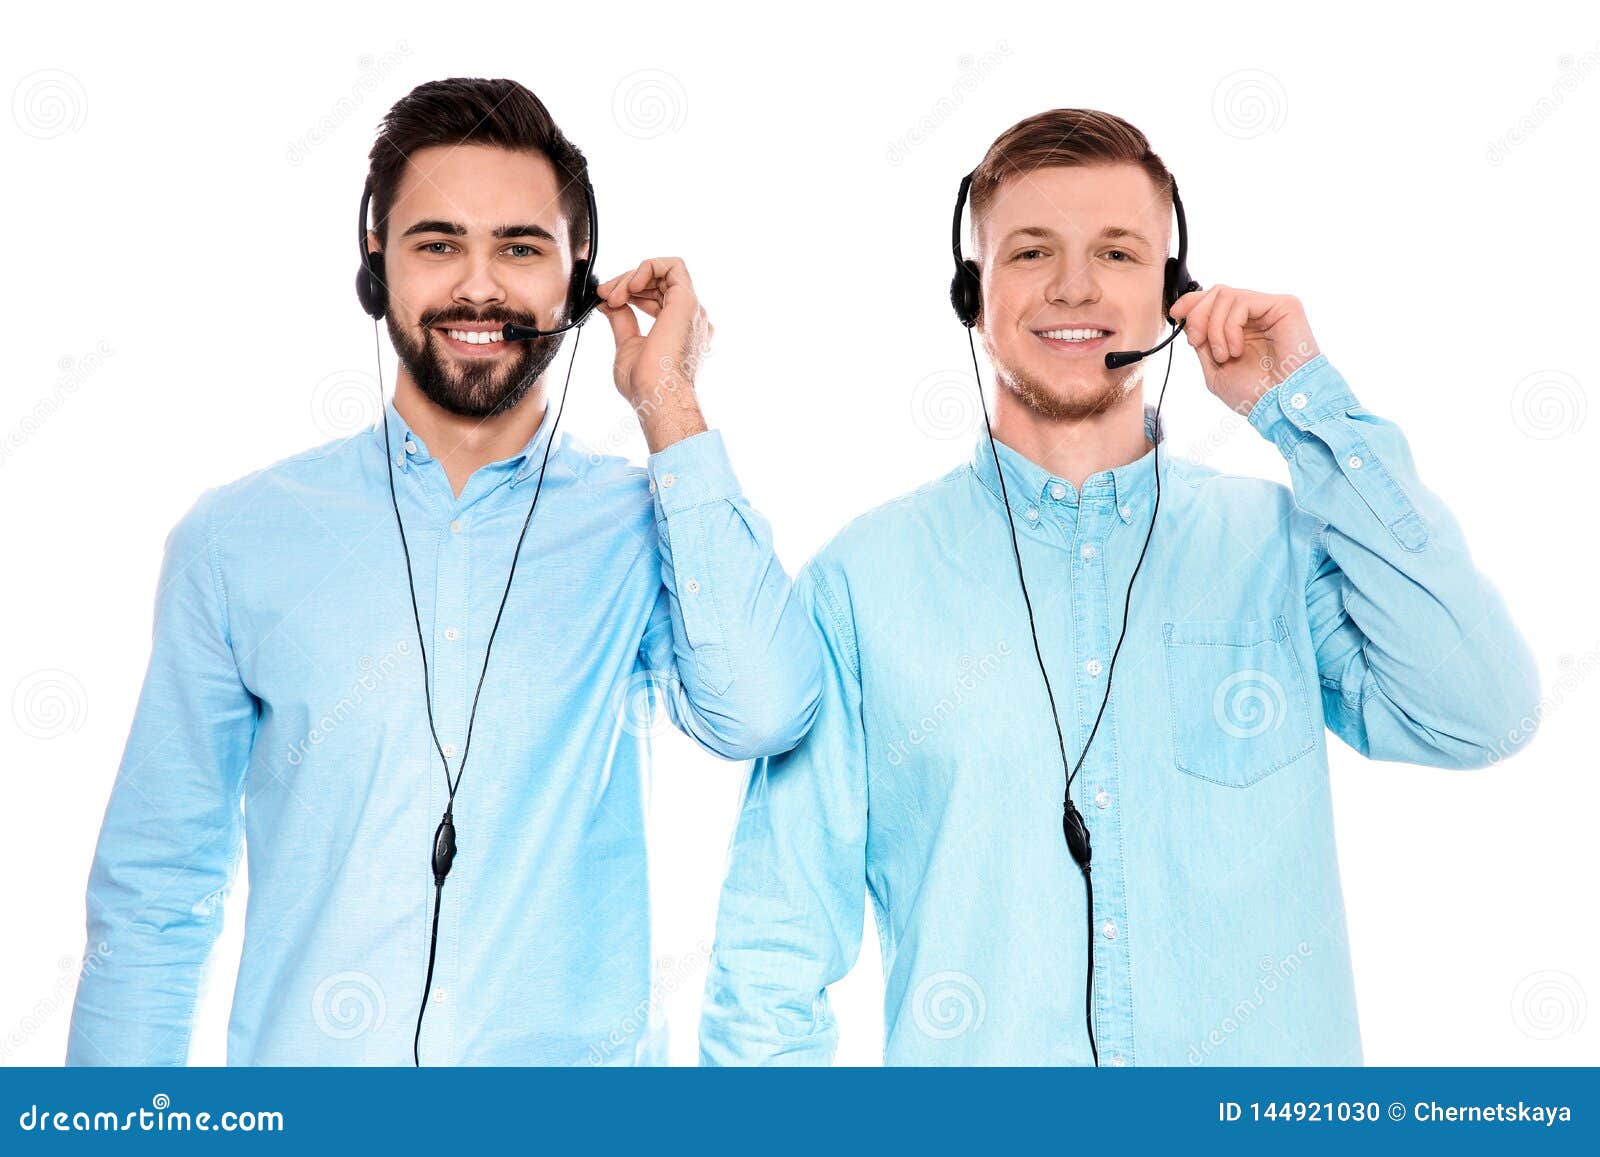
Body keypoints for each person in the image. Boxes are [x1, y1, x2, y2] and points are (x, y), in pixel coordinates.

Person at [698, 108, 1539, 1066]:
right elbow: (772, 957)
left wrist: (1302, 406)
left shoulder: (1280, 546)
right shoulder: (862, 581)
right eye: (1028, 252)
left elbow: (1483, 715)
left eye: (1119, 253)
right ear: (969, 293)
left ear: (1173, 294)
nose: (1074, 286)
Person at [68, 77, 820, 1066]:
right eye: (437, 243)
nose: (479, 287)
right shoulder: (237, 539)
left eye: (519, 246)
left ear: (578, 277)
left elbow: (764, 712)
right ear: (375, 267)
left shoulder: (649, 522)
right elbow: (157, 893)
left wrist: (669, 401)